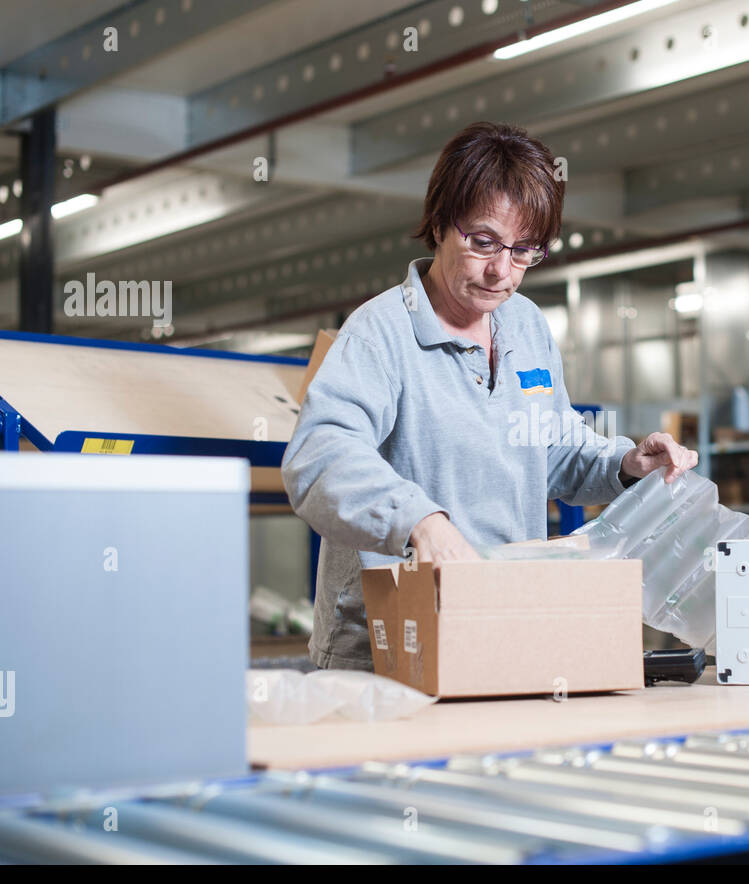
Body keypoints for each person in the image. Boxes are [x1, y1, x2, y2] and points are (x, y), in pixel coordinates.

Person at [282, 121, 698, 670]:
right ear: (438, 223)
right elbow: (319, 457)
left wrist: (623, 463)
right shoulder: (380, 333)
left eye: (524, 251)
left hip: (502, 622)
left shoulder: (525, 326)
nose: (502, 271)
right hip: (391, 645)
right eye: (482, 242)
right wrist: (420, 522)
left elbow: (552, 447)